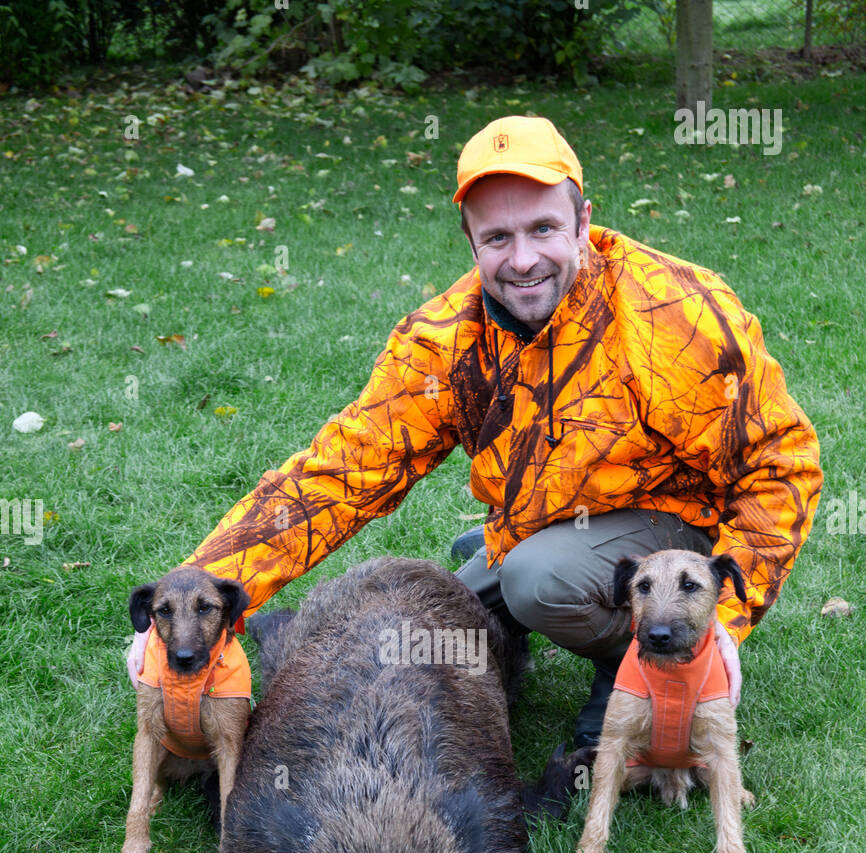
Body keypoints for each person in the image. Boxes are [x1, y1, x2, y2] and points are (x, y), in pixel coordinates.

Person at [128, 115, 822, 749]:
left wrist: (725, 616)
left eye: (544, 229)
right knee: (440, 621)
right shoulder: (444, 342)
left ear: (583, 222)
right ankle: (521, 562)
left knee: (534, 581)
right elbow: (339, 474)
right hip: (545, 521)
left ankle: (651, 657)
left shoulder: (675, 311)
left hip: (680, 525)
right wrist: (208, 589)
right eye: (499, 237)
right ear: (471, 240)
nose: (523, 260)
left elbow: (782, 462)